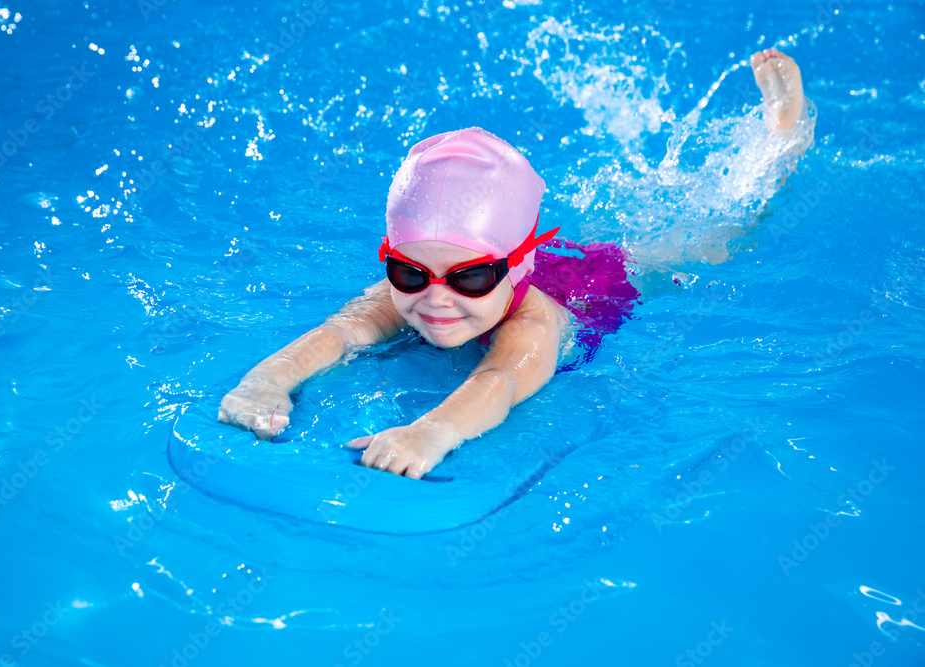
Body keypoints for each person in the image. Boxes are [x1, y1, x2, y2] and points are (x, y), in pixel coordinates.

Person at [218, 48, 808, 479]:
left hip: (592, 283)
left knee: (720, 237)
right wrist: (266, 383)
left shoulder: (532, 325)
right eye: (408, 272)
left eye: (468, 278)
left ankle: (782, 139)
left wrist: (431, 431)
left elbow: (497, 381)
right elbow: (336, 334)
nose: (435, 299)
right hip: (514, 253)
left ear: (514, 268)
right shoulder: (422, 279)